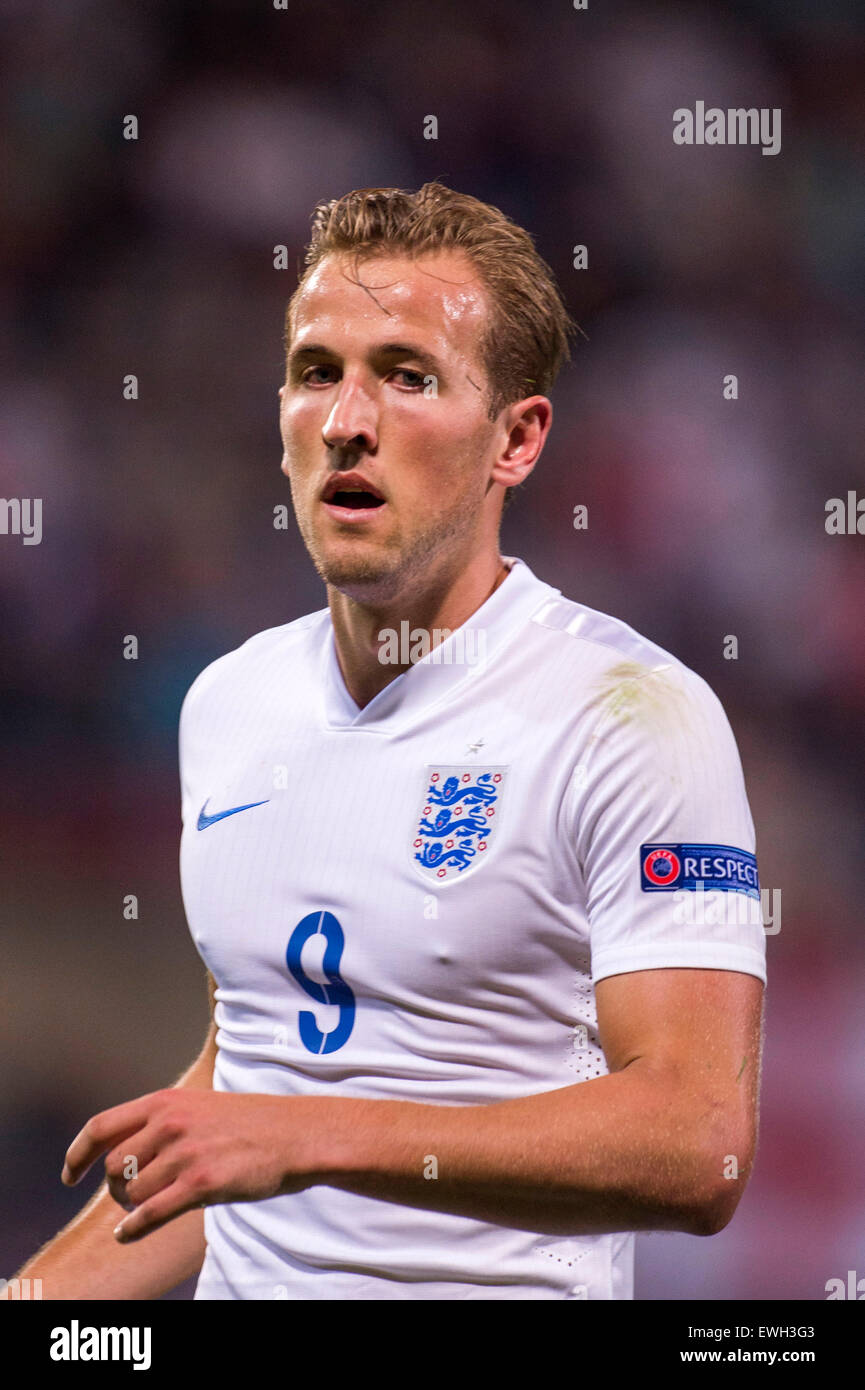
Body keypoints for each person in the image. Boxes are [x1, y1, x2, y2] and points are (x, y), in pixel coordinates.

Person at [6, 183, 766, 1301]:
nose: (347, 420)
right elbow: (257, 1076)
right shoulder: (228, 704)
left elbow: (697, 1142)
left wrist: (308, 1137)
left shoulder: (629, 716)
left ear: (517, 437)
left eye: (407, 376)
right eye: (318, 371)